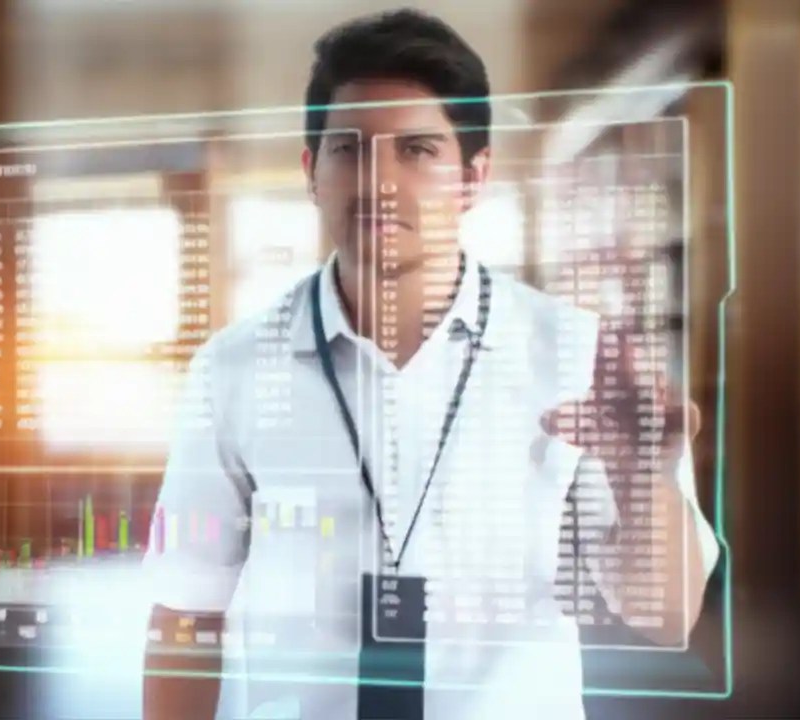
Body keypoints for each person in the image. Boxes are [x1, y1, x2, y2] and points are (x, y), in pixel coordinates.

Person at [141, 8, 718, 720]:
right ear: (311, 172)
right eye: (349, 149)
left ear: (474, 179)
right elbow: (185, 613)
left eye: (417, 150)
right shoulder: (228, 371)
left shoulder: (579, 356)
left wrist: (643, 474)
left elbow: (665, 618)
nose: (379, 179)